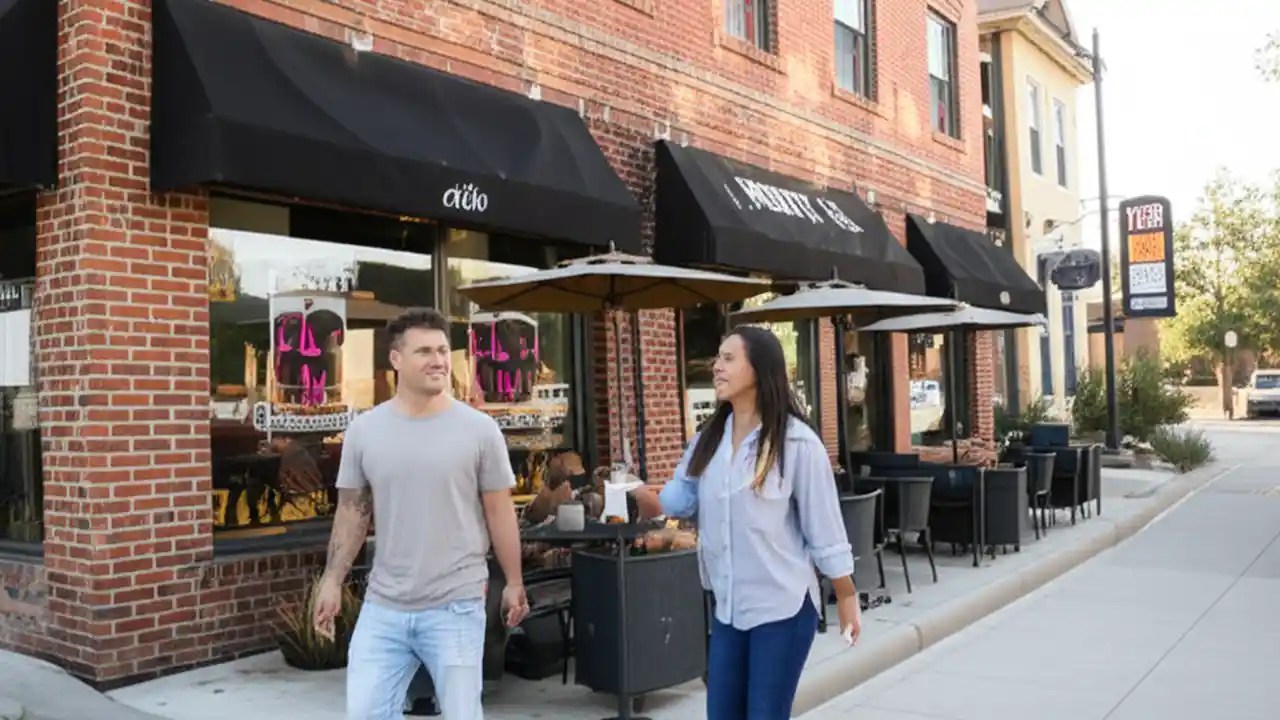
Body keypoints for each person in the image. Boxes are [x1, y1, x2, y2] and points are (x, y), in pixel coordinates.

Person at [632, 326, 862, 720]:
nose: (716, 367)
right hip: (729, 610)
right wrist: (636, 494)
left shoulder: (797, 444)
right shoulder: (708, 440)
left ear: (759, 369)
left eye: (728, 358)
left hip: (783, 609)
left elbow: (825, 529)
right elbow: (680, 498)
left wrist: (846, 595)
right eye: (717, 358)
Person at [312, 308, 529, 720]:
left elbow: (500, 512)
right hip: (384, 604)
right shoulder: (365, 431)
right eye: (424, 351)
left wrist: (514, 581)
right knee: (364, 713)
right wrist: (332, 580)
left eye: (444, 350)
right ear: (396, 359)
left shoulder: (480, 430)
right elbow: (352, 512)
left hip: (456, 604)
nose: (439, 360)